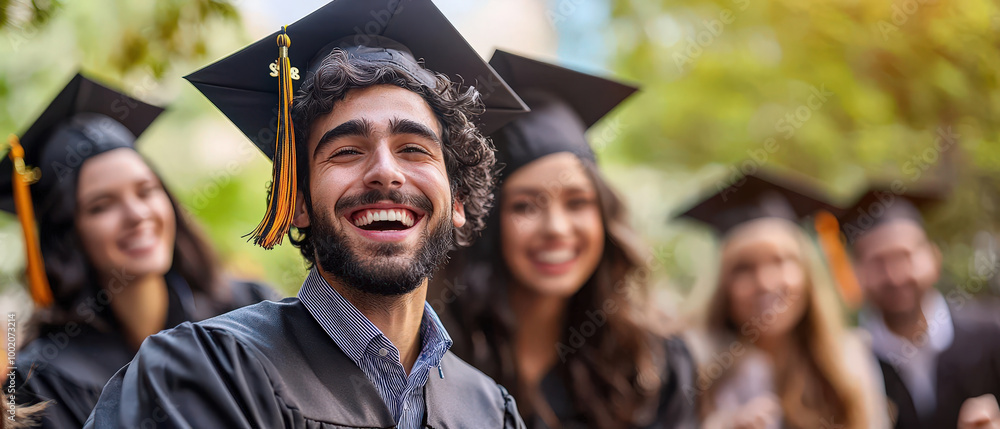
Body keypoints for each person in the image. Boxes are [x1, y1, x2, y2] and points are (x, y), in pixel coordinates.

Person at [85, 0, 530, 427]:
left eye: (413, 149)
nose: (385, 173)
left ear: (456, 200)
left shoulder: (491, 410)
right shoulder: (204, 373)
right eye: (348, 151)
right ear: (296, 200)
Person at [0, 73, 278, 428]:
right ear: (67, 237)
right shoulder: (42, 381)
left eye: (146, 190)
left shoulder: (248, 310)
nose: (137, 215)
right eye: (102, 205)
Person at [438, 50, 696, 428]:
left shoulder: (653, 363)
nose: (557, 228)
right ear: (489, 225)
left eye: (577, 202)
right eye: (525, 206)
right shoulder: (442, 362)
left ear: (604, 218)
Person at [678, 172, 890, 429]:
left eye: (780, 261)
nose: (765, 283)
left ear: (807, 274)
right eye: (743, 268)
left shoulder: (850, 360)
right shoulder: (694, 370)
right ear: (723, 287)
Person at [842, 184, 1000, 429]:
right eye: (878, 262)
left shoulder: (992, 335)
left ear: (934, 258)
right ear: (857, 275)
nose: (894, 276)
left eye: (904, 256)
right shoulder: (849, 363)